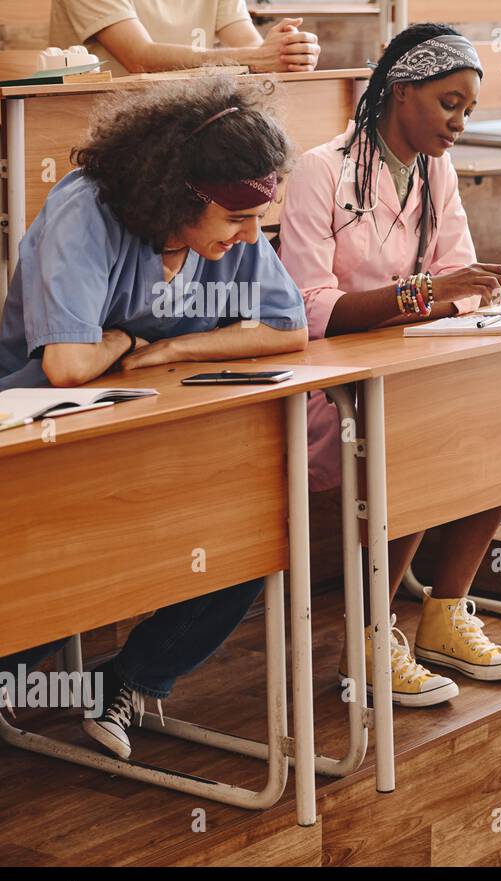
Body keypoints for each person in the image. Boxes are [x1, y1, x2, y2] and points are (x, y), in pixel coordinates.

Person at [0, 77, 309, 759]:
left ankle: (126, 680)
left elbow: (288, 328)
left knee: (255, 528)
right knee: (65, 578)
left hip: (149, 430)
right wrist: (120, 344)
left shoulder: (235, 214)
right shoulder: (86, 209)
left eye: (260, 217)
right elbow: (67, 367)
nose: (253, 235)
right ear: (180, 194)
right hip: (39, 434)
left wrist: (171, 346)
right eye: (237, 220)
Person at [277, 22, 501, 709]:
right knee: (414, 438)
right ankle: (366, 636)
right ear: (401, 90)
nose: (459, 123)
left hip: (410, 365)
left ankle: (446, 614)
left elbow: (458, 277)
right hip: (332, 387)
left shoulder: (434, 172)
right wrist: (423, 297)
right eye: (450, 103)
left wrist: (449, 299)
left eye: (468, 110)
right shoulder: (319, 170)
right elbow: (310, 310)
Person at [49, 0, 320, 76]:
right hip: (101, 131)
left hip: (189, 121)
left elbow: (254, 49)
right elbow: (139, 57)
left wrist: (288, 51)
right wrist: (259, 57)